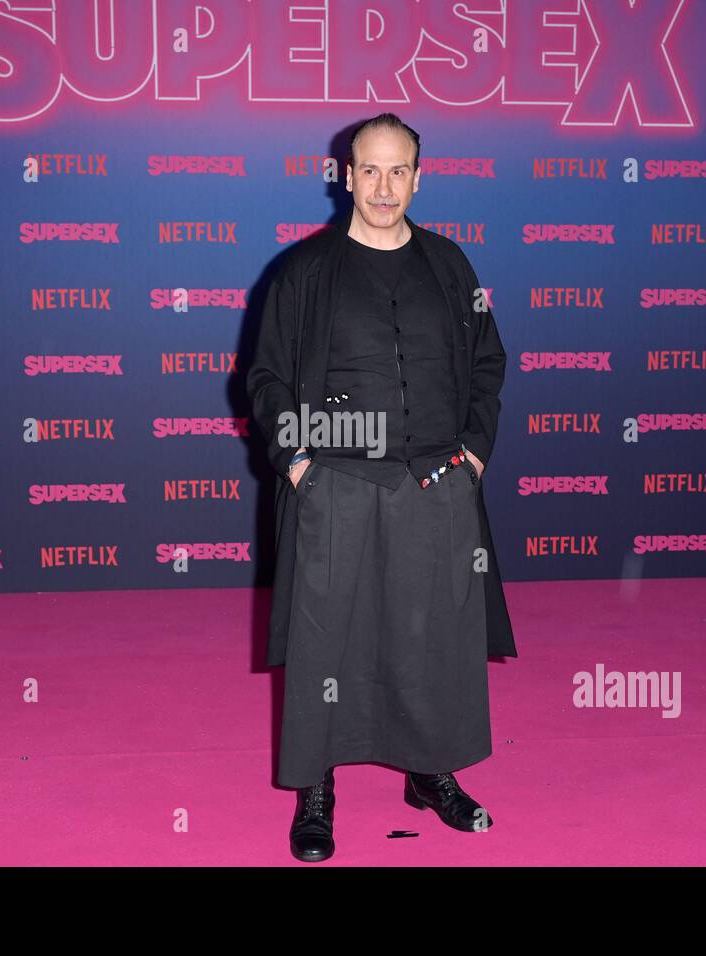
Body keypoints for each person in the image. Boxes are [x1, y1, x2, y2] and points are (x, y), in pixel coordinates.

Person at [247, 113, 516, 862]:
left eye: (399, 171)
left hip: (436, 484)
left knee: (434, 637)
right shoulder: (302, 273)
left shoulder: (452, 267)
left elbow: (489, 363)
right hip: (335, 485)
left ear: (419, 178)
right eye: (370, 170)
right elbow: (264, 379)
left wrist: (475, 457)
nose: (384, 186)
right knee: (326, 641)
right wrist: (300, 464)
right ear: (345, 176)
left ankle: (433, 774)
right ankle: (317, 790)